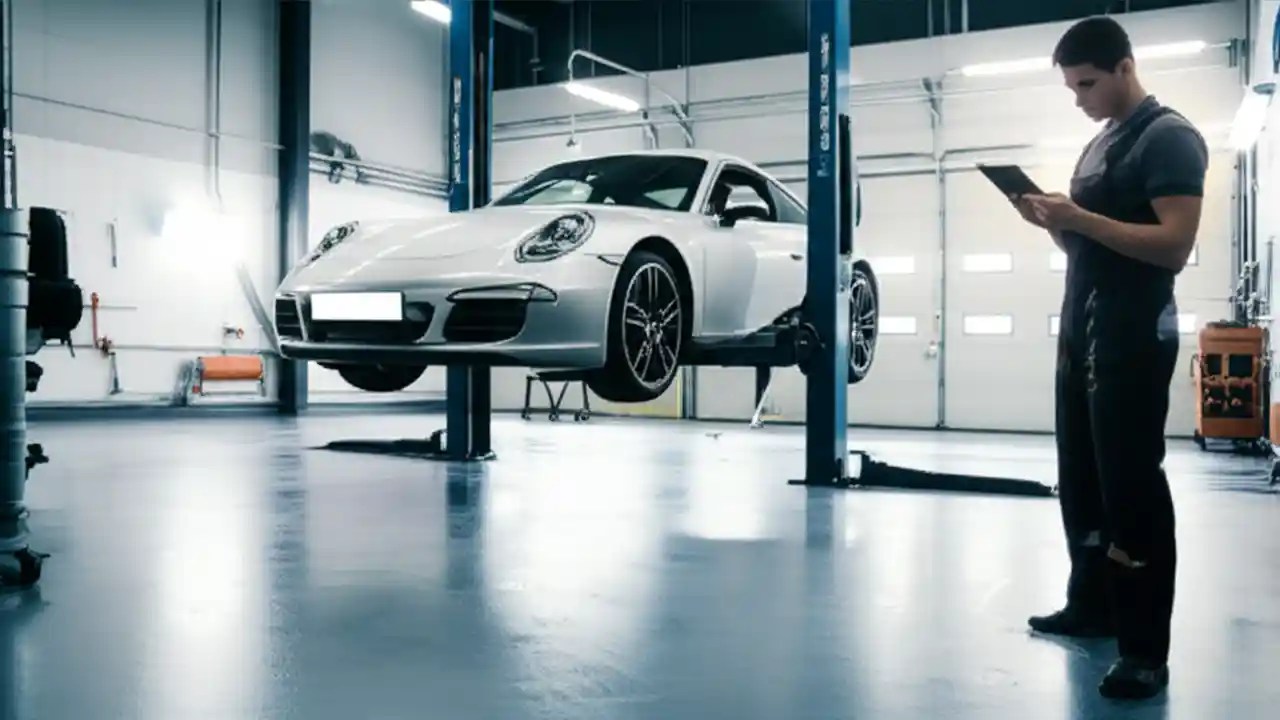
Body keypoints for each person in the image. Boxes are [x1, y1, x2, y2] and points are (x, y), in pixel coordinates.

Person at [1010, 16, 1208, 701]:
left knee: (1132, 488)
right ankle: (1092, 607)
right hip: (1084, 329)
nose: (1080, 98)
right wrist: (1055, 224)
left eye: (1087, 83)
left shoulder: (1169, 137)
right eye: (1070, 87)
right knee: (1083, 480)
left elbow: (1174, 244)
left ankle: (1145, 653)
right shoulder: (1100, 145)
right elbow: (1092, 246)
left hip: (1132, 335)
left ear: (1126, 67)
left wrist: (1080, 218)